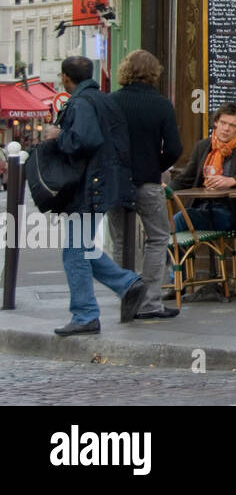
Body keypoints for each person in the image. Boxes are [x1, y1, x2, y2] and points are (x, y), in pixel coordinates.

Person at [44, 56, 147, 336]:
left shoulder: (80, 103)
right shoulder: (104, 100)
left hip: (90, 186)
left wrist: (58, 136)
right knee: (81, 248)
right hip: (103, 182)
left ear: (66, 77)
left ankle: (85, 314)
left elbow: (85, 140)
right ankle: (127, 283)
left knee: (74, 251)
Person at [107, 50, 183, 320]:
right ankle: (150, 302)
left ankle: (127, 294)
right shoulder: (161, 104)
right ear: (155, 72)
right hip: (148, 182)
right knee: (158, 238)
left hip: (116, 183)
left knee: (120, 241)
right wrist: (154, 164)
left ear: (125, 69)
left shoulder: (111, 102)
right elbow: (174, 148)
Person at [171, 103, 236, 232]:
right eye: (223, 123)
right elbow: (185, 178)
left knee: (180, 220)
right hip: (201, 206)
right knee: (173, 223)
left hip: (231, 212)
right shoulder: (203, 146)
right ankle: (180, 252)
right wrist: (162, 192)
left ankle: (175, 252)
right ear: (215, 122)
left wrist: (231, 181)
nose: (226, 129)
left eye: (232, 125)